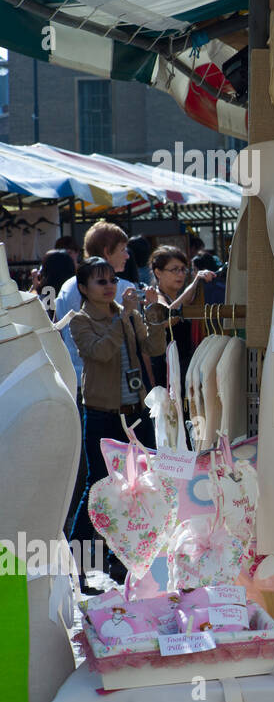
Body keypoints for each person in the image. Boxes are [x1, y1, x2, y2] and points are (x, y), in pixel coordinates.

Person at [67, 257, 166, 589]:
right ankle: (78, 564)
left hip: (134, 412)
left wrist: (151, 311)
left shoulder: (123, 314)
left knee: (138, 487)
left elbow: (154, 346)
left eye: (112, 279)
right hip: (101, 411)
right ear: (83, 288)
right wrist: (122, 318)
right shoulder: (80, 320)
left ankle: (122, 562)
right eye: (100, 281)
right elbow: (100, 353)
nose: (110, 286)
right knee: (98, 486)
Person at [53, 221, 136, 394]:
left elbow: (57, 331)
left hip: (73, 377)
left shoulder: (67, 286)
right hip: (113, 382)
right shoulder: (122, 288)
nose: (127, 256)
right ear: (107, 251)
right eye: (122, 249)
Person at [146, 245, 216, 387]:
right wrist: (195, 282)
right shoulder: (156, 298)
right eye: (174, 269)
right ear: (158, 273)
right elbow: (166, 317)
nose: (180, 274)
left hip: (182, 372)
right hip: (166, 376)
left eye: (183, 269)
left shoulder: (177, 297)